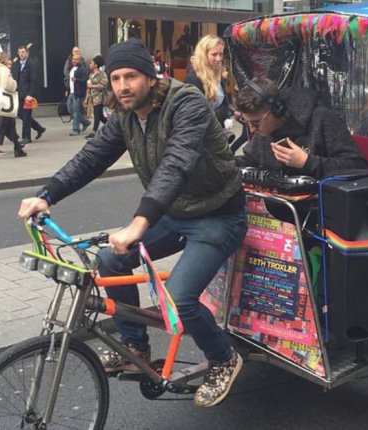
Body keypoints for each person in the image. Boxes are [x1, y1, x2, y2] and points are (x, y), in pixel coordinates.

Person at [18, 40, 247, 408]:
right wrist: (47, 195)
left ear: (151, 76)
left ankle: (223, 358)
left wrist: (138, 224)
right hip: (174, 213)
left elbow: (176, 164)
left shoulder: (186, 103)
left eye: (131, 76)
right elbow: (91, 157)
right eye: (116, 78)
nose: (123, 86)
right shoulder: (124, 114)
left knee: (182, 298)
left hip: (217, 213)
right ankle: (134, 347)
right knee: (109, 261)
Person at [235, 76, 368, 177]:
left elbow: (357, 165)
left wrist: (307, 162)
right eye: (246, 122)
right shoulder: (264, 130)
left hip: (317, 207)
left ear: (276, 110)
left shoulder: (322, 118)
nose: (252, 129)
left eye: (255, 123)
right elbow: (249, 161)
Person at [0, 52, 26, 160]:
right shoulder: (5, 70)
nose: (9, 61)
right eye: (8, 59)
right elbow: (8, 84)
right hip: (6, 102)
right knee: (1, 126)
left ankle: (17, 148)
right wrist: (15, 84)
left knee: (10, 125)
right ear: (4, 60)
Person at [185, 35, 230, 127]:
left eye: (220, 54)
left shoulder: (217, 75)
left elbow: (225, 103)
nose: (218, 59)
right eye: (214, 54)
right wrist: (223, 113)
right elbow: (195, 114)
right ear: (203, 55)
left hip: (217, 131)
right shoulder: (193, 78)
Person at [13, 45, 45, 145]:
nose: (21, 54)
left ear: (27, 53)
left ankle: (26, 137)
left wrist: (31, 94)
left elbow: (34, 80)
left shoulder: (31, 63)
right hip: (19, 93)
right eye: (19, 52)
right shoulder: (18, 64)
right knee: (20, 114)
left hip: (27, 94)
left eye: (23, 52)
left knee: (26, 115)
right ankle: (39, 128)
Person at [67, 53, 91, 136]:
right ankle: (85, 122)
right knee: (70, 109)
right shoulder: (72, 68)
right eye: (73, 59)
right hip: (71, 92)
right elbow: (69, 80)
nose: (74, 61)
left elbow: (85, 80)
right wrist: (67, 89)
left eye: (76, 59)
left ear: (80, 60)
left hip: (78, 93)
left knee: (76, 111)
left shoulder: (82, 69)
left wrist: (76, 79)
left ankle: (76, 129)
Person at [85, 54, 108, 139]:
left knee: (97, 114)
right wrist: (87, 97)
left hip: (100, 97)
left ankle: (94, 132)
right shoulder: (91, 75)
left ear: (96, 65)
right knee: (101, 116)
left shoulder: (102, 74)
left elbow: (104, 85)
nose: (90, 64)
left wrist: (92, 86)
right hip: (93, 98)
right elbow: (88, 87)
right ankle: (111, 127)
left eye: (91, 63)